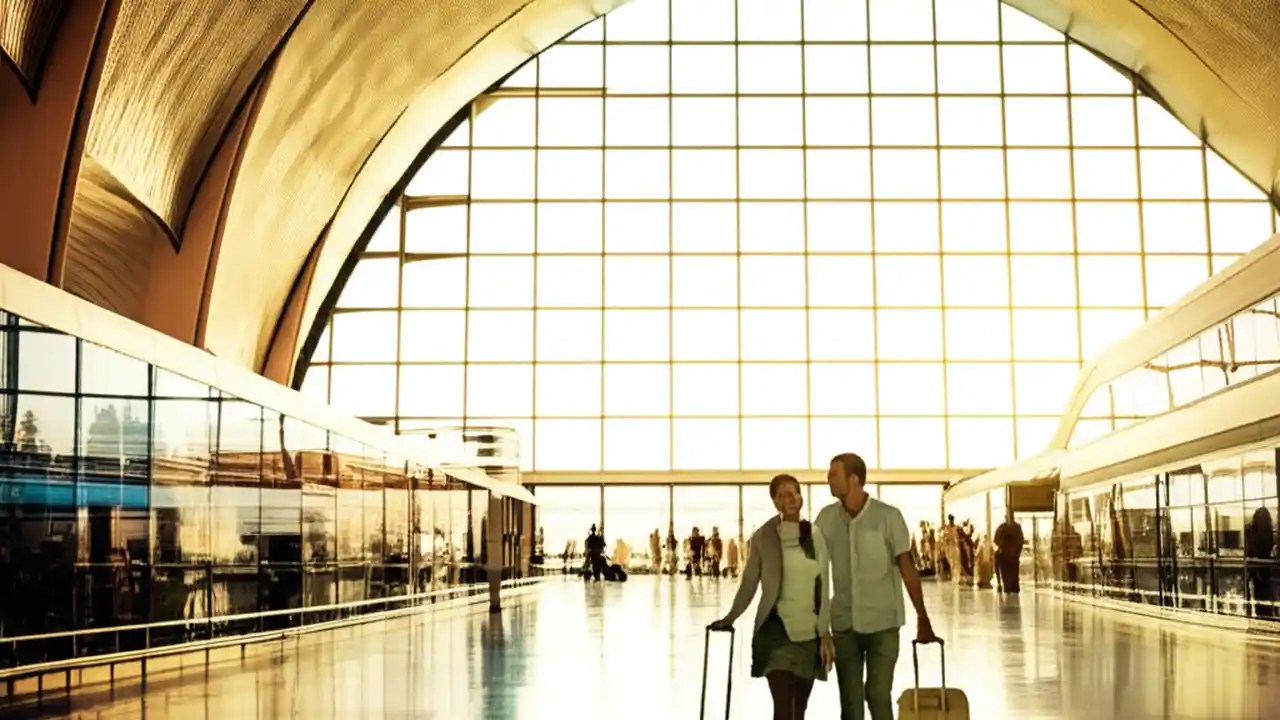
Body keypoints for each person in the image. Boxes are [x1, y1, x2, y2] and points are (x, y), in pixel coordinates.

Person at [816, 452, 937, 720]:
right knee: (850, 701)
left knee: (878, 694)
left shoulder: (888, 517)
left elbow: (907, 567)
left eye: (833, 475)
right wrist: (820, 627)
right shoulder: (825, 520)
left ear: (854, 479)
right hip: (844, 623)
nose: (828, 480)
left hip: (884, 622)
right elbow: (817, 574)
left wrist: (922, 616)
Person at [710, 475, 834, 720]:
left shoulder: (814, 536)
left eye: (794, 493)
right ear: (775, 502)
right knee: (783, 707)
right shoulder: (764, 537)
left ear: (801, 496)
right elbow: (749, 582)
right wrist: (730, 617)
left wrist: (825, 633)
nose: (790, 499)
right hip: (774, 631)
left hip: (808, 634)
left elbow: (823, 587)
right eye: (782, 495)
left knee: (799, 709)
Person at [993, 512, 1026, 593]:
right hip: (1008, 555)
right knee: (1009, 573)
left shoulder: (1008, 528)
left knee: (1011, 573)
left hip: (1011, 555)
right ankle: (1010, 587)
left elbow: (1020, 541)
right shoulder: (1006, 528)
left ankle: (1011, 587)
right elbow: (996, 540)